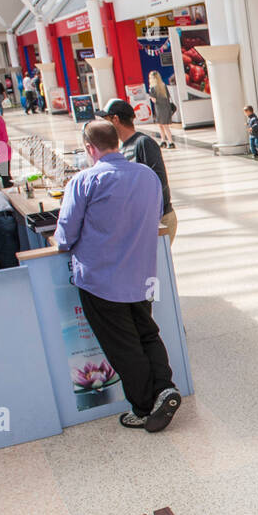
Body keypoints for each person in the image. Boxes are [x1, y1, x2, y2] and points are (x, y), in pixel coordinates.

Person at [55, 120, 182, 432]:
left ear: (89, 148)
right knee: (147, 333)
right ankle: (165, 388)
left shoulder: (84, 181)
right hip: (141, 274)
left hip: (101, 280)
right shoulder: (147, 176)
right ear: (116, 140)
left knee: (123, 346)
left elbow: (65, 235)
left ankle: (143, 407)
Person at [96, 98, 176, 243]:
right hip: (143, 220)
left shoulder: (143, 143)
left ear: (116, 119)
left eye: (105, 119)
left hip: (159, 219)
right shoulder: (123, 146)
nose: (103, 124)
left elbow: (159, 182)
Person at [148, 70, 176, 148]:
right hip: (166, 107)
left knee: (163, 126)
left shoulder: (152, 88)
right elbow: (168, 97)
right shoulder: (163, 86)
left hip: (159, 109)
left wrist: (150, 95)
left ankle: (170, 142)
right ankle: (163, 141)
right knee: (163, 126)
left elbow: (154, 100)